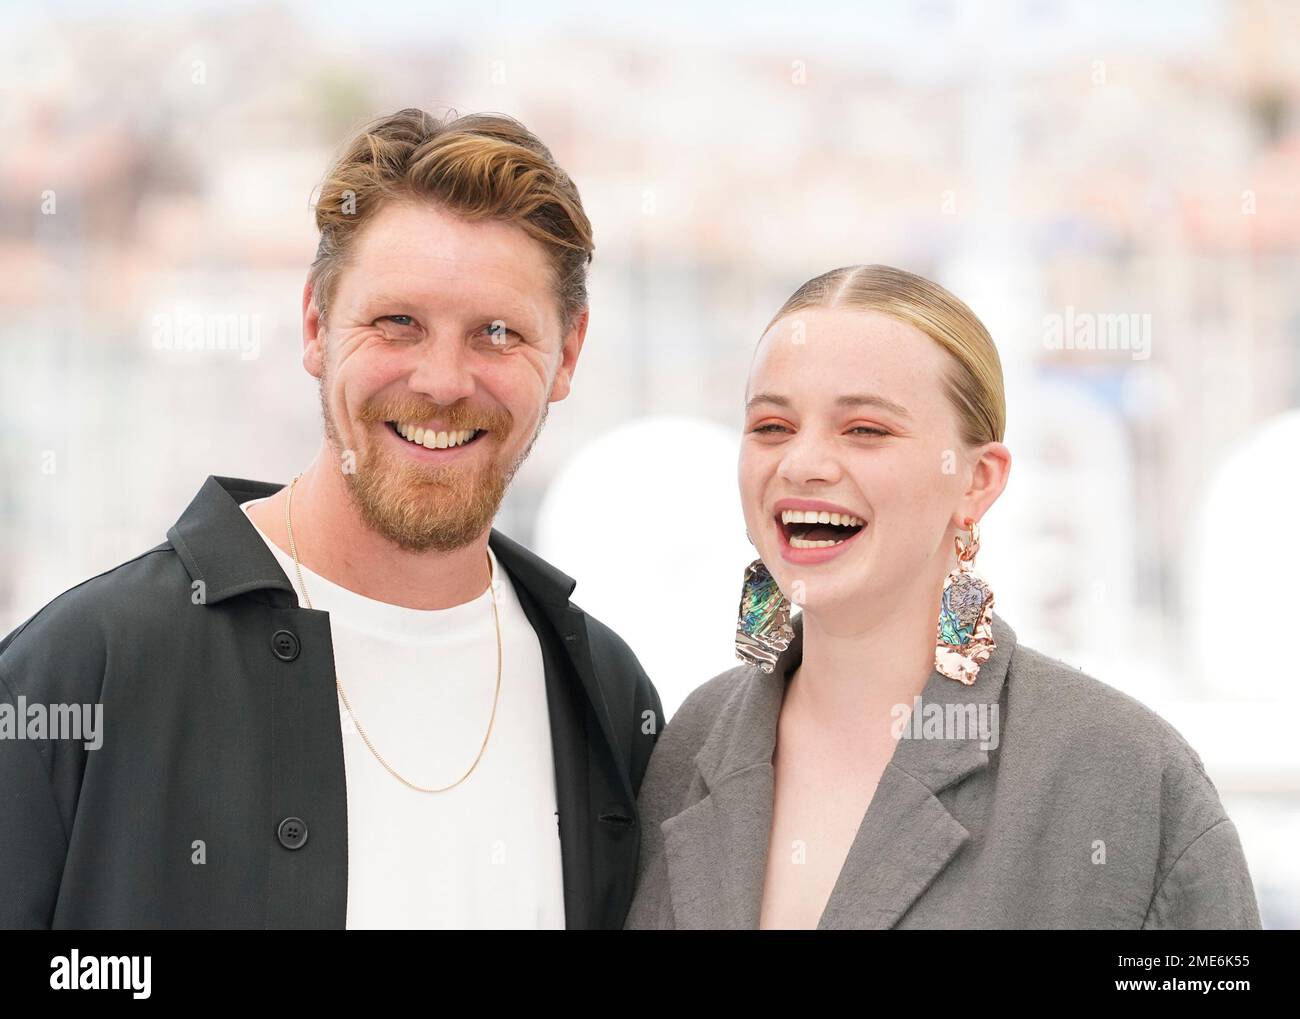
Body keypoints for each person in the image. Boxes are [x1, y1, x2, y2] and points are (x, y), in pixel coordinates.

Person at [0, 108, 662, 930]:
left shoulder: (605, 692)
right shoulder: (81, 669)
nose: (443, 380)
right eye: (398, 323)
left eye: (498, 333)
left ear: (566, 355)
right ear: (315, 324)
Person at [624, 264, 1261, 930]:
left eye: (865, 429)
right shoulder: (689, 741)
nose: (802, 462)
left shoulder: (1127, 776)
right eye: (772, 426)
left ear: (978, 481)